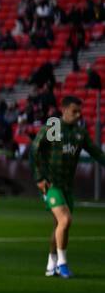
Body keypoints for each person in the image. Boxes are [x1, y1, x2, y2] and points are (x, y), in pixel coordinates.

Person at [32, 95, 105, 278]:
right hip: (52, 184)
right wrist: (40, 177)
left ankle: (51, 263)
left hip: (67, 187)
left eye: (80, 111)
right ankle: (62, 264)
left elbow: (96, 153)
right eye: (74, 111)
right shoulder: (55, 126)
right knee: (66, 221)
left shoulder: (80, 133)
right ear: (64, 110)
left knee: (60, 226)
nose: (79, 115)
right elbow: (36, 150)